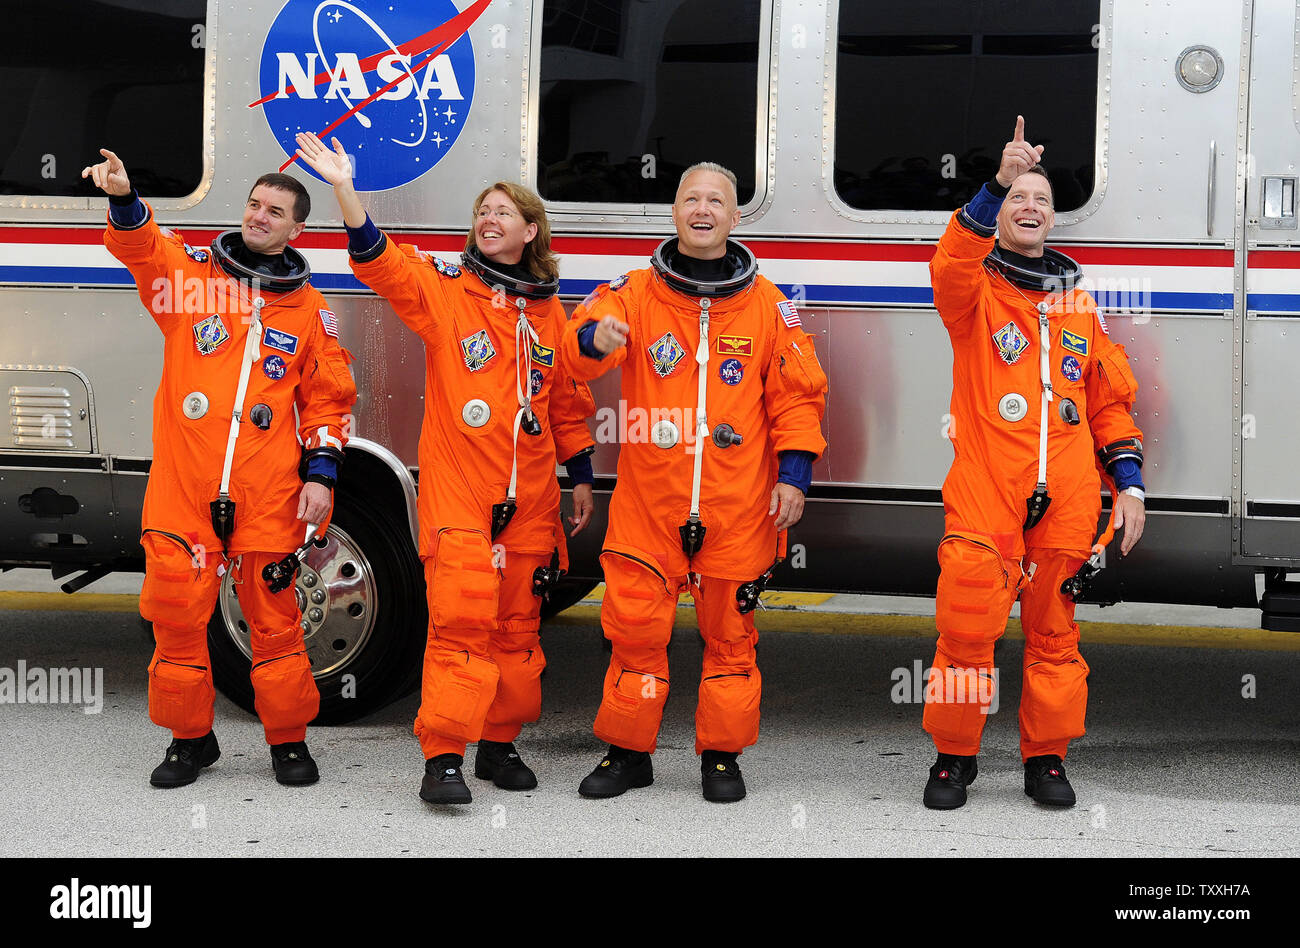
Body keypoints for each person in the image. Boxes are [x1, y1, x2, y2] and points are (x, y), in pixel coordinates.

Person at [294, 132, 596, 805]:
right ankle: (444, 759)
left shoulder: (550, 314)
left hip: (532, 504)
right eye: (480, 212)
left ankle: (498, 744)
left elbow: (566, 403)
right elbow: (383, 266)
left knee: (517, 632)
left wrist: (579, 479)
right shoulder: (447, 293)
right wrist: (346, 190)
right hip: (461, 497)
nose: (487, 220)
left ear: (530, 230)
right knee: (460, 624)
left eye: (501, 212)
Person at [82, 149, 357, 788]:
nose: (260, 218)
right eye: (255, 205)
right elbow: (144, 248)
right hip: (187, 487)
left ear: (298, 230)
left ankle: (288, 742)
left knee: (276, 621)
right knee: (178, 616)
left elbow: (327, 399)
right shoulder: (193, 279)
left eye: (276, 212)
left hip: (267, 492)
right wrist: (125, 197)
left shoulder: (311, 312)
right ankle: (190, 741)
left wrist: (321, 474)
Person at [559, 162, 828, 802]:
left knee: (731, 638)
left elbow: (798, 399)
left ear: (736, 217)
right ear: (674, 211)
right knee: (635, 632)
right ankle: (628, 753)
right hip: (650, 504)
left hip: (737, 505)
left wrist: (794, 475)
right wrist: (595, 339)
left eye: (716, 201)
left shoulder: (770, 307)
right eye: (690, 199)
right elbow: (574, 350)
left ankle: (722, 756)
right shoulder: (632, 291)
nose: (702, 209)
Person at [923, 117, 1146, 809]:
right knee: (965, 628)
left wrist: (1130, 487)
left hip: (1071, 496)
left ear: (1054, 218)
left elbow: (1108, 405)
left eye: (1040, 200)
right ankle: (953, 759)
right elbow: (951, 261)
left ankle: (1045, 760)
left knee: (1054, 635)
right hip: (989, 489)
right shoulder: (975, 294)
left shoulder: (1080, 306)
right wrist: (994, 181)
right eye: (1018, 197)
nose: (1029, 207)